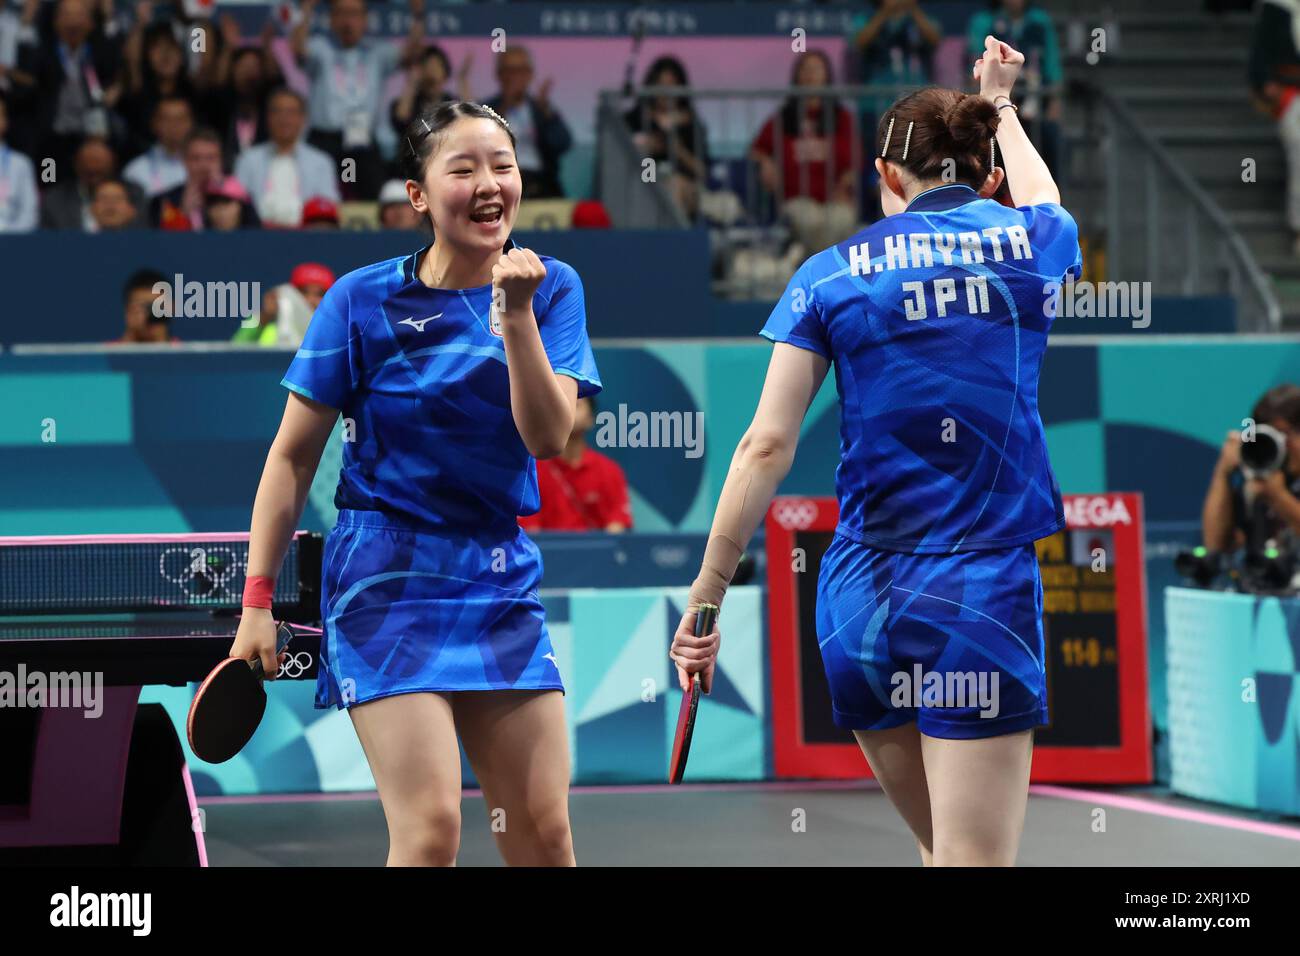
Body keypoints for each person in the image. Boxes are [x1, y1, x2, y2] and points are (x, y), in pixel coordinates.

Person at [672, 38, 1080, 867]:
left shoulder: (829, 274)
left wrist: (707, 598)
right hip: (977, 587)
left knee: (940, 850)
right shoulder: (1025, 244)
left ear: (889, 178)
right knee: (973, 859)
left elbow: (764, 446)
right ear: (985, 175)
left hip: (859, 599)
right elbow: (1046, 195)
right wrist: (1001, 101)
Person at [229, 101, 600, 867]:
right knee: (430, 832)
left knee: (543, 833)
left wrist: (518, 315)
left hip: (495, 574)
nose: (490, 182)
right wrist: (256, 603)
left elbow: (547, 436)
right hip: (385, 582)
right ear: (419, 196)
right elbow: (292, 458)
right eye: (463, 169)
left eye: (502, 164)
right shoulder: (361, 301)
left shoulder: (552, 288)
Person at [291, 0, 424, 199]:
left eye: (354, 14)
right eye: (342, 14)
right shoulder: (320, 48)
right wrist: (306, 10)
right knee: (319, 195)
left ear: (365, 20)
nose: (348, 21)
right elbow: (299, 50)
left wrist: (417, 16)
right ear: (332, 20)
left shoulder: (377, 53)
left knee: (365, 194)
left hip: (360, 138)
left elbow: (412, 53)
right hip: (325, 140)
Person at [750, 50, 860, 253]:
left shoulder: (842, 118)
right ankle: (828, 277)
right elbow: (755, 150)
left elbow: (856, 159)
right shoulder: (782, 118)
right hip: (796, 199)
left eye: (816, 69)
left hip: (835, 200)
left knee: (841, 219)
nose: (810, 74)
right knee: (810, 219)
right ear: (796, 76)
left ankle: (816, 275)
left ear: (827, 76)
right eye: (805, 69)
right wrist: (765, 161)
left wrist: (848, 180)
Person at [967, 1, 1062, 177]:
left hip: (1036, 104)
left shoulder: (1040, 21)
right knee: (1000, 161)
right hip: (997, 105)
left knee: (1046, 149)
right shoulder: (984, 22)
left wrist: (1054, 101)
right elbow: (974, 62)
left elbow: (1052, 64)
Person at [1201, 384, 1300, 553]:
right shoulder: (1255, 483)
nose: (1280, 446)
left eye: (1284, 435)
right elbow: (1214, 545)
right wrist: (1222, 472)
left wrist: (1279, 498)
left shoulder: (1272, 490)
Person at [518, 397, 633, 533]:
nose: (569, 411)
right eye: (564, 404)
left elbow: (617, 525)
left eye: (576, 405)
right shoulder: (532, 471)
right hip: (547, 552)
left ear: (590, 419)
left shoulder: (609, 470)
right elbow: (530, 529)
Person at [233, 87, 340, 227]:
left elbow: (329, 204)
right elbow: (237, 203)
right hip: (258, 235)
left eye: (291, 112)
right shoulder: (247, 160)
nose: (284, 119)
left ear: (303, 119)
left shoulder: (321, 162)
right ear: (267, 118)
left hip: (306, 236)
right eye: (277, 111)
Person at [623, 55, 709, 222]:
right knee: (651, 187)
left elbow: (702, 171)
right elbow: (619, 160)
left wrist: (678, 150)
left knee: (674, 186)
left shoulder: (691, 123)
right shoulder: (635, 118)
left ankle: (672, 243)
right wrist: (644, 149)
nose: (666, 92)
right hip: (646, 179)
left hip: (683, 185)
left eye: (672, 86)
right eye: (661, 85)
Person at [482, 46, 571, 199]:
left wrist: (547, 112)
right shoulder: (488, 109)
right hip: (498, 181)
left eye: (521, 71)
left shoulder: (540, 110)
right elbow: (481, 145)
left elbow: (563, 143)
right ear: (499, 75)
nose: (515, 77)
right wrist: (505, 106)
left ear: (530, 75)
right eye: (510, 71)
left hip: (539, 182)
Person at [39, 134, 145, 229]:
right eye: (88, 170)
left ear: (113, 165)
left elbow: (144, 233)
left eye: (99, 170)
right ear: (76, 165)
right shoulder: (56, 199)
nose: (93, 170)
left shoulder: (134, 195)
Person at [232, 261, 334, 346]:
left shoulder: (339, 330)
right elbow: (236, 347)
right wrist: (264, 318)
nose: (310, 300)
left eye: (320, 294)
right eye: (303, 292)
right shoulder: (268, 324)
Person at [149, 125, 222, 229]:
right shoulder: (164, 201)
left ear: (220, 160)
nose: (204, 165)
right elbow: (158, 242)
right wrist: (183, 213)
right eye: (196, 158)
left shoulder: (239, 199)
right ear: (184, 161)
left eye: (211, 158)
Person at [121, 94, 192, 199]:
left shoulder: (203, 166)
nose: (174, 125)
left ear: (190, 123)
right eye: (167, 120)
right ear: (154, 123)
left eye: (180, 119)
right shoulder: (136, 170)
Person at [0, 95, 39, 231]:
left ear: (5, 122)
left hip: (13, 242)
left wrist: (10, 238)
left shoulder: (21, 164)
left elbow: (29, 213)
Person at [112, 267, 177, 343]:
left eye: (158, 307)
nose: (150, 314)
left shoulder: (186, 352)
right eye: (142, 307)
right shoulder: (105, 353)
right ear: (128, 312)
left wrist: (161, 340)